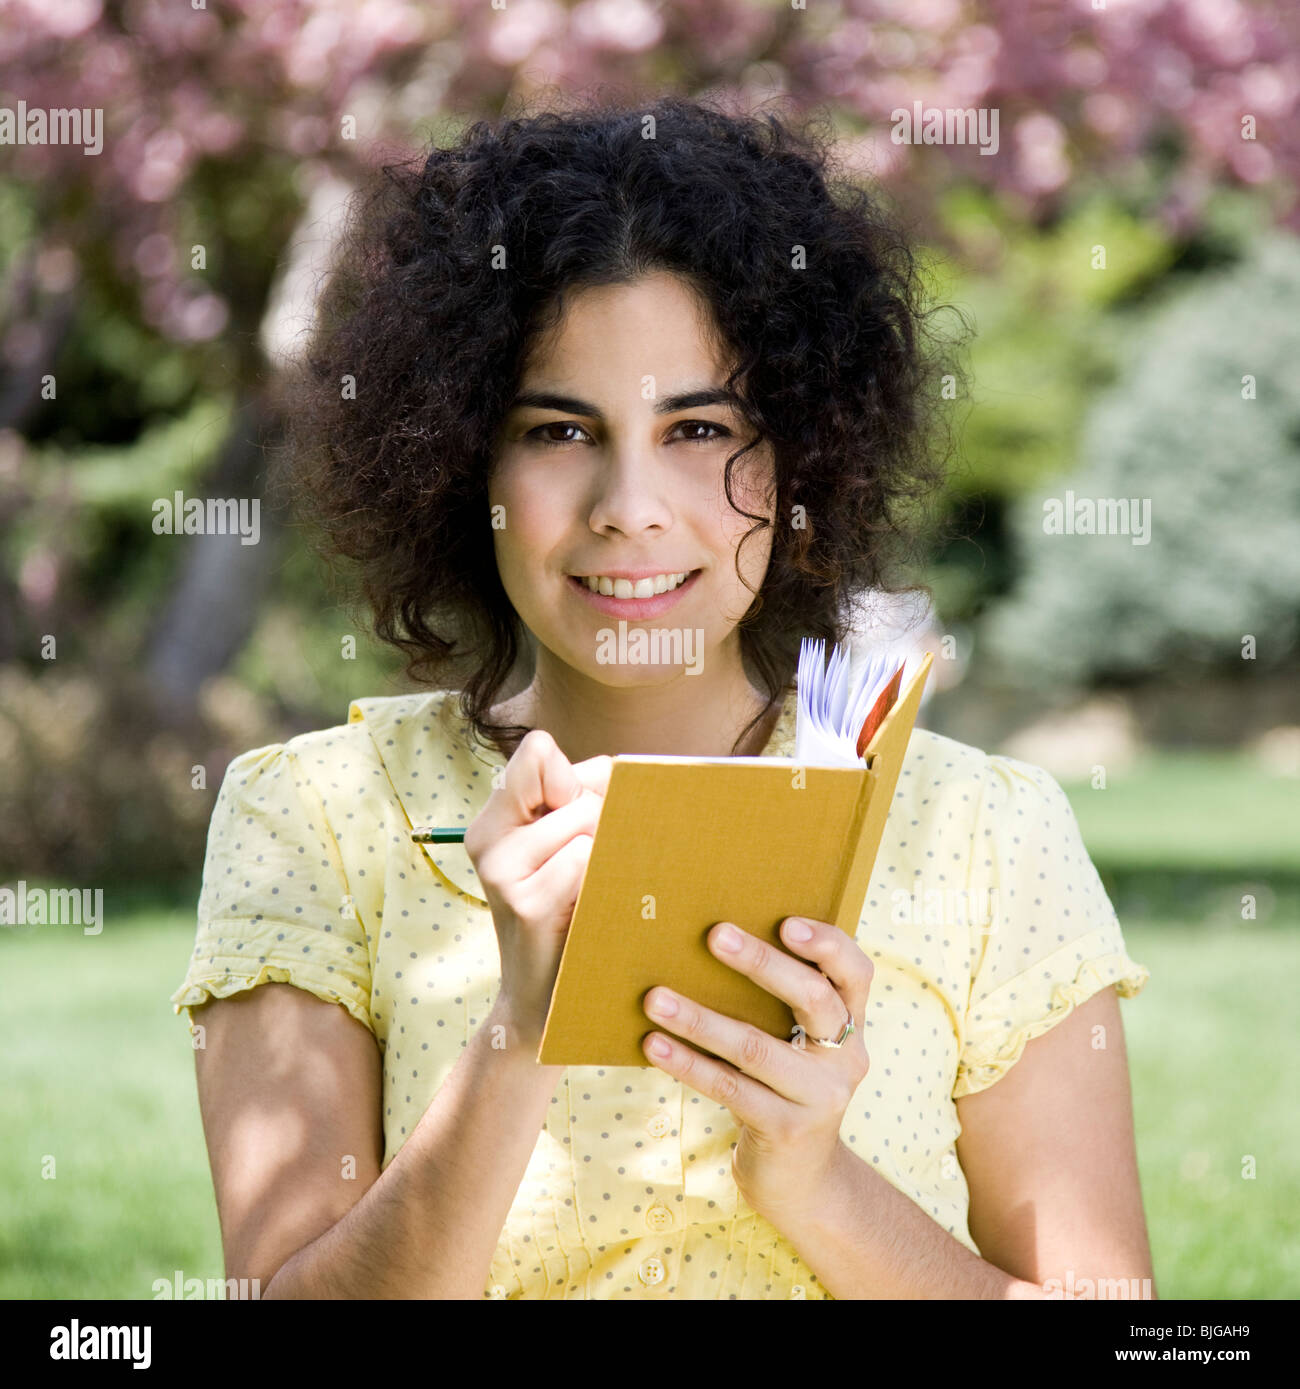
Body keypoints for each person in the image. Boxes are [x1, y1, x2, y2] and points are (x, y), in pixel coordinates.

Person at [170, 94, 1154, 1300]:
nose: (628, 506)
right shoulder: (312, 820)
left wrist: (813, 1181)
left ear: (805, 459)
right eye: (557, 430)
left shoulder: (992, 836)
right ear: (457, 465)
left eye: (697, 427)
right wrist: (517, 1039)